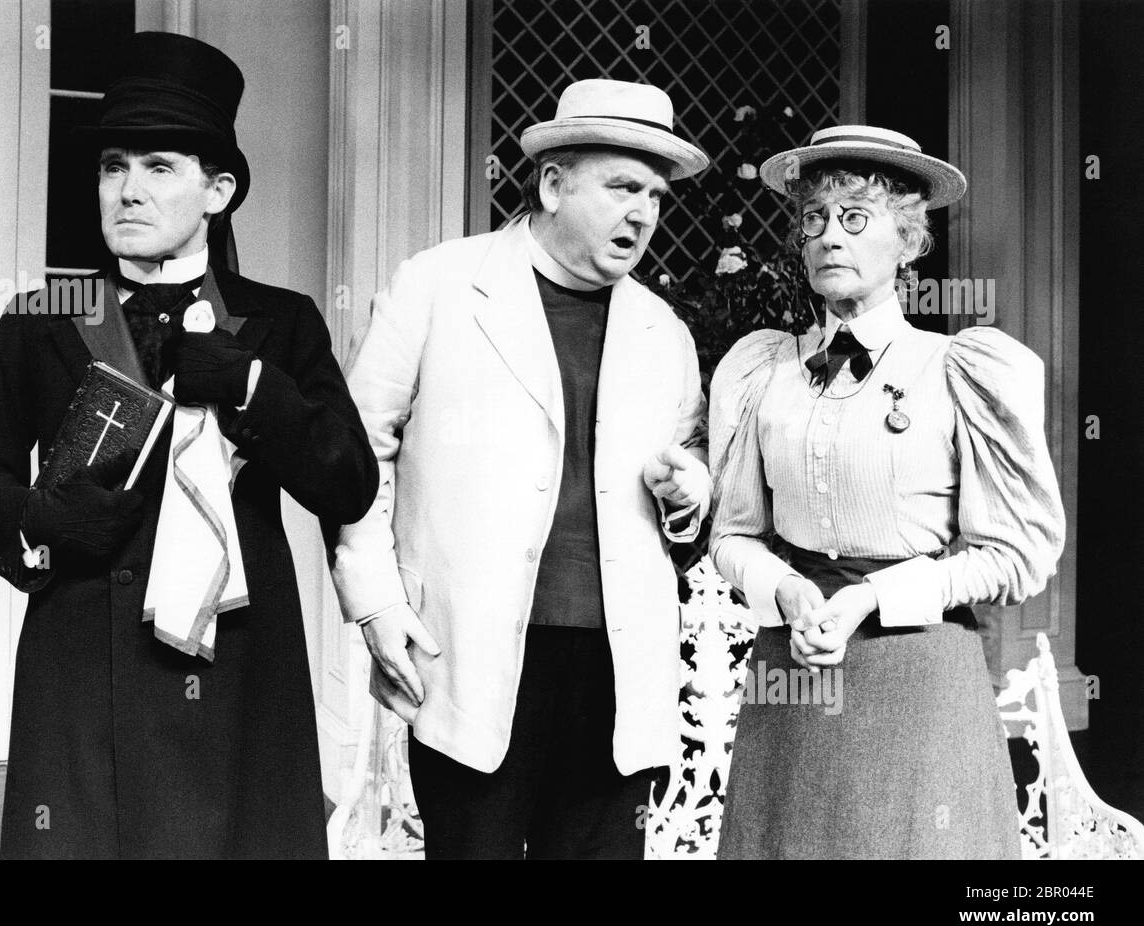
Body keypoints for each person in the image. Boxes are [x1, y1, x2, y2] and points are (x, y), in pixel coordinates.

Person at [0, 32, 377, 859]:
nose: (126, 191)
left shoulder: (280, 320)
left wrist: (250, 387)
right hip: (83, 676)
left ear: (220, 190)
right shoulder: (43, 316)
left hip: (241, 673)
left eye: (158, 166)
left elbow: (347, 483)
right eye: (112, 167)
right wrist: (37, 517)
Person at [330, 79, 712, 860]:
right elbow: (355, 452)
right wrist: (375, 602)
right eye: (619, 187)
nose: (641, 213)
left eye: (654, 195)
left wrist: (688, 492)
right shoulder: (437, 285)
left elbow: (691, 470)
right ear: (551, 183)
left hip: (615, 673)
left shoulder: (661, 331)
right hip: (471, 657)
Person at [707, 125, 1066, 859]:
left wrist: (873, 597)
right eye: (815, 220)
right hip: (795, 675)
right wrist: (787, 590)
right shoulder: (761, 372)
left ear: (906, 241)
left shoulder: (960, 369)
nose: (830, 238)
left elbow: (1017, 553)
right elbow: (731, 535)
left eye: (856, 219)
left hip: (919, 678)